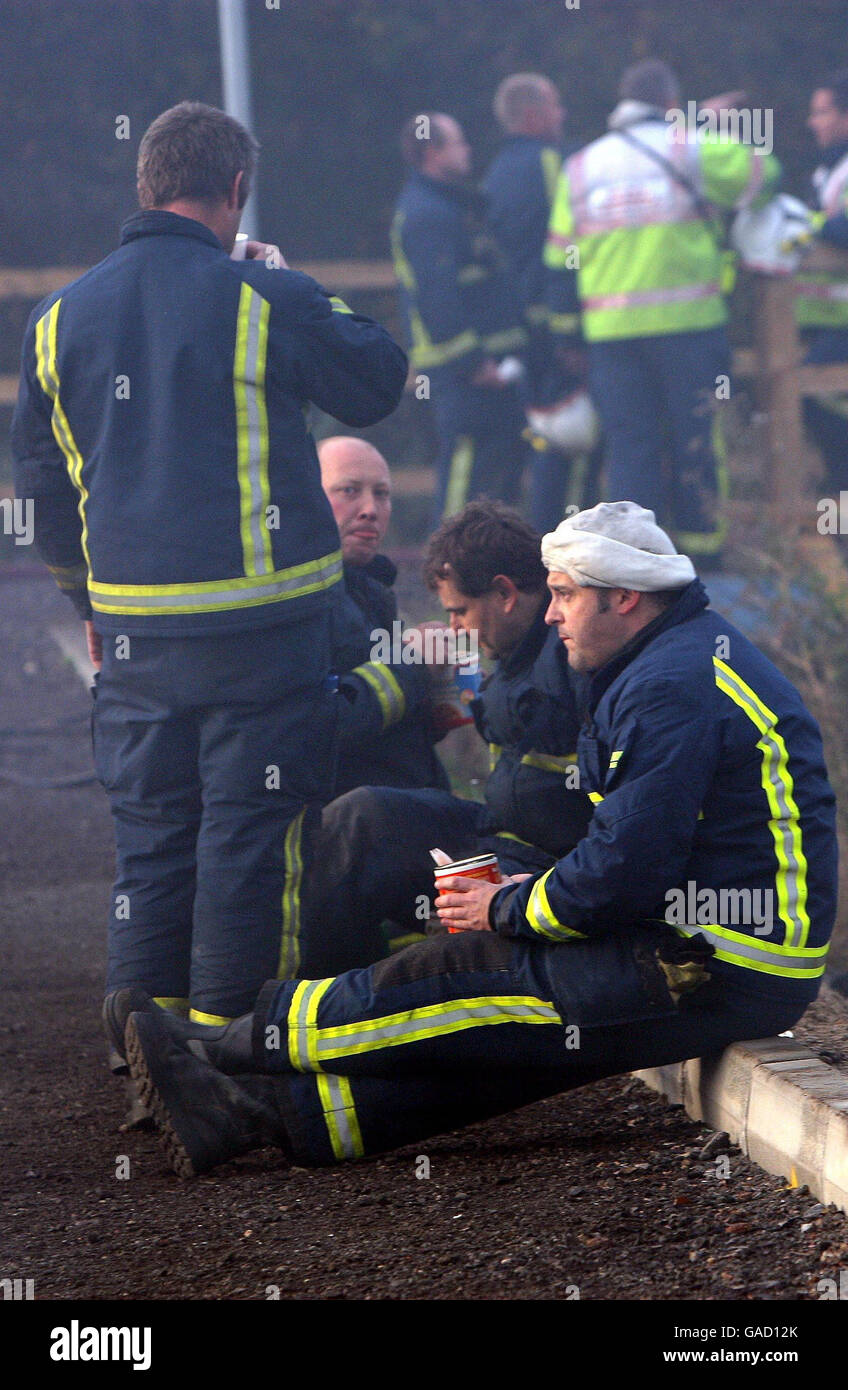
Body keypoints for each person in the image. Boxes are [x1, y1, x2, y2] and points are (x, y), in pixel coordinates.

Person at [115, 499, 837, 1176]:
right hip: (719, 943)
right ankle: (255, 1113)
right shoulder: (664, 661)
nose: (548, 614)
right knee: (509, 1045)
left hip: (721, 957)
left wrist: (508, 910)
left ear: (624, 598)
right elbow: (629, 850)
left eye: (563, 595)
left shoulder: (667, 687)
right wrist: (538, 892)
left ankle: (230, 1050)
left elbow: (625, 868)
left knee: (466, 975)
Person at [11, 101, 407, 1030]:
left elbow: (41, 486)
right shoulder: (263, 297)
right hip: (265, 637)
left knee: (152, 841)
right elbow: (377, 379)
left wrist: (87, 605)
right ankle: (223, 1050)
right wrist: (296, 282)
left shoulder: (54, 321)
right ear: (238, 190)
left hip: (136, 639)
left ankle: (140, 1041)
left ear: (143, 185)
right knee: (247, 838)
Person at [290, 497, 593, 975]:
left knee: (430, 922)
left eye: (459, 611)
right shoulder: (520, 648)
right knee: (361, 818)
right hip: (500, 828)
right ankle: (326, 990)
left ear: (505, 594)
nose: (454, 627)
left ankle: (346, 1012)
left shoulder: (571, 651)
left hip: (548, 862)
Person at [545, 60, 780, 564]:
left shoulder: (580, 165)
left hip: (610, 336)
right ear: (671, 104)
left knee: (632, 447)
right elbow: (765, 176)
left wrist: (568, 340)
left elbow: (557, 261)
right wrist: (701, 127)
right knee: (697, 437)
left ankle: (641, 565)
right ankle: (703, 560)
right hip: (688, 328)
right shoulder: (690, 145)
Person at [390, 112, 528, 523]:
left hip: (487, 368)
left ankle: (485, 574)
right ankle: (448, 574)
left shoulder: (450, 206)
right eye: (458, 142)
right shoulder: (426, 214)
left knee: (493, 482)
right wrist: (472, 362)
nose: (467, 150)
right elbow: (437, 297)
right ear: (432, 152)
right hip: (464, 375)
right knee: (464, 481)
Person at [484, 73, 592, 531]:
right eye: (556, 106)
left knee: (543, 435)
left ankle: (538, 543)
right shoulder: (553, 164)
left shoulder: (494, 172)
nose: (563, 115)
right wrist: (567, 328)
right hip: (558, 325)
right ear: (533, 115)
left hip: (517, 327)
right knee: (577, 438)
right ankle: (569, 545)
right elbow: (563, 243)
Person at [318, 434, 450, 798]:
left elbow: (380, 720)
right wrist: (413, 662)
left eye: (382, 493)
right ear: (306, 499)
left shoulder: (371, 591)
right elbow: (322, 727)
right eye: (348, 491)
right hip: (353, 829)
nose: (370, 509)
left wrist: (440, 698)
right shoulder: (301, 603)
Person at [798, 69, 848, 494]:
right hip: (826, 319)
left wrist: (802, 223)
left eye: (823, 112)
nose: (814, 122)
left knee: (809, 390)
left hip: (844, 322)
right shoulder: (827, 172)